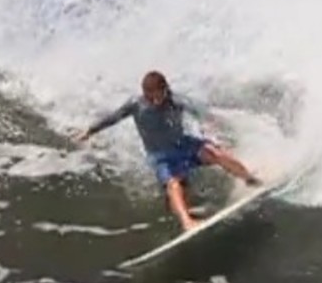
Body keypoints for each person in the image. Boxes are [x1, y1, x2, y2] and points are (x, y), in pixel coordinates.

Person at [73, 70, 262, 231]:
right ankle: (187, 222)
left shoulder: (175, 100)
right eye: (151, 97)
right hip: (161, 156)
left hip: (183, 144)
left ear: (166, 89)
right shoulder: (135, 104)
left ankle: (250, 179)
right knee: (174, 185)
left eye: (159, 95)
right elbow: (112, 118)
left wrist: (209, 122)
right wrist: (89, 131)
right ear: (145, 94)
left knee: (216, 153)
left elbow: (198, 110)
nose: (156, 101)